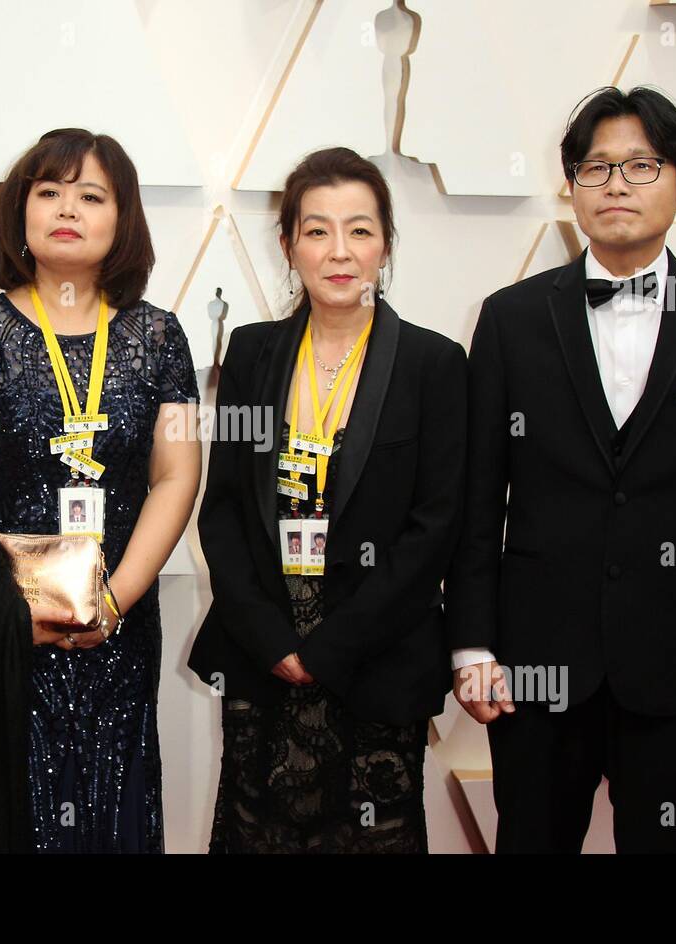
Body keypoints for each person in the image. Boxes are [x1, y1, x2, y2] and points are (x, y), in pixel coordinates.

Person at [445, 86, 676, 853]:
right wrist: (472, 646)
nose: (616, 186)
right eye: (595, 168)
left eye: (642, 166)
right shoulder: (511, 318)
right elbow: (476, 499)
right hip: (536, 665)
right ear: (571, 186)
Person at [0, 128, 200, 852]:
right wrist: (1, 606)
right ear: (20, 213)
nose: (66, 206)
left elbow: (176, 477)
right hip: (4, 634)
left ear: (123, 218)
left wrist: (115, 600)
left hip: (121, 625)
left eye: (90, 194)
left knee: (113, 805)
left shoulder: (158, 337)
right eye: (48, 191)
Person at [189, 147, 467, 852]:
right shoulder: (251, 354)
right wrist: (272, 638)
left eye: (360, 230)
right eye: (317, 230)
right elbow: (221, 508)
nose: (339, 251)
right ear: (288, 245)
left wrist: (334, 647)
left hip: (376, 663)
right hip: (265, 660)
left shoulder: (433, 365)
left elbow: (435, 527)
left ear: (386, 245)